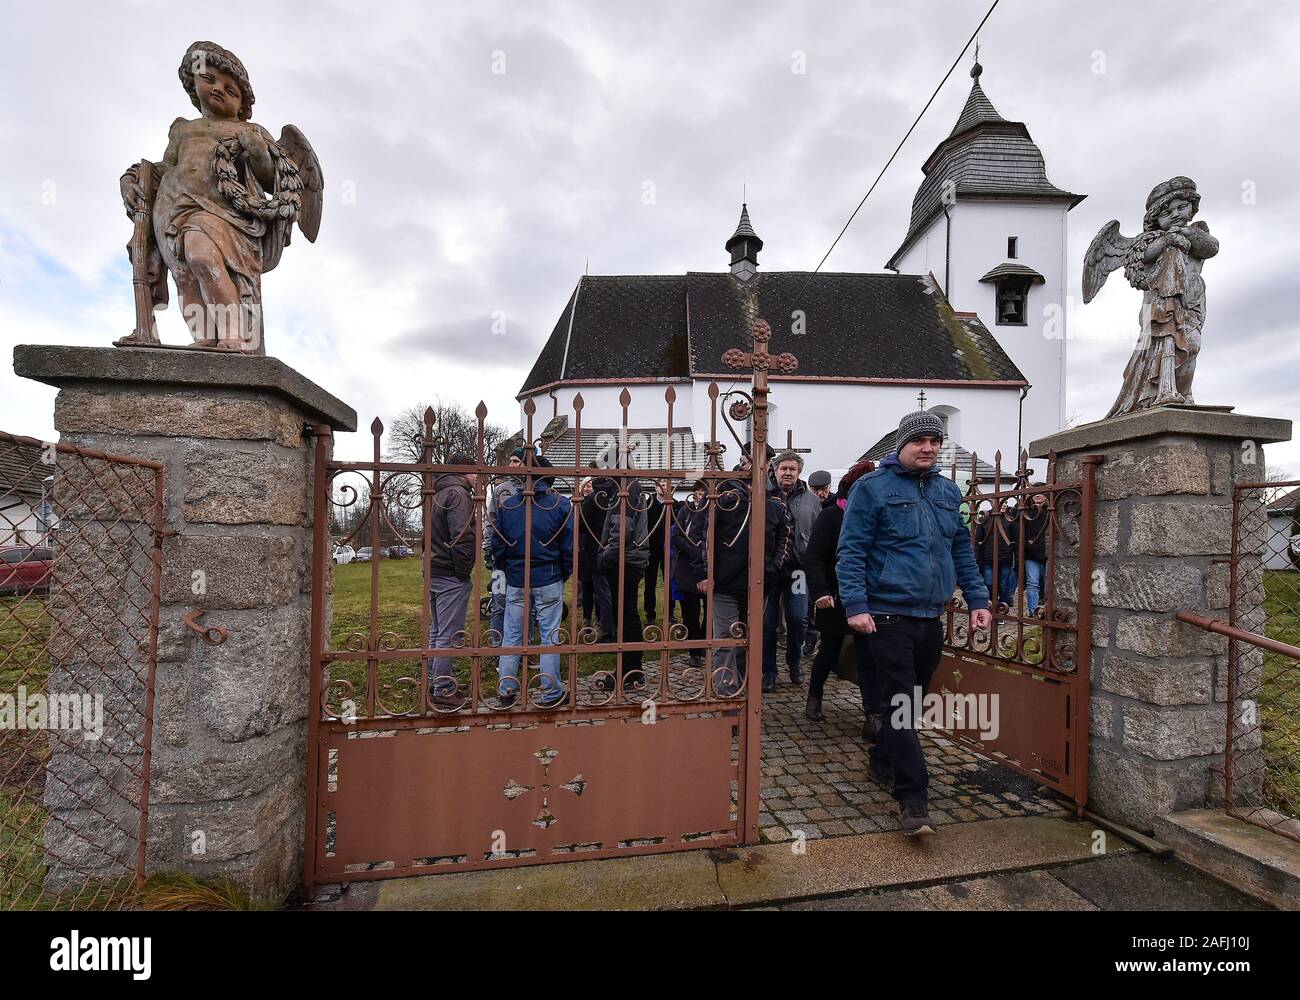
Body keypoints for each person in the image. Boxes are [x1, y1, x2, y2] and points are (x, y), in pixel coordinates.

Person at [837, 411, 991, 836]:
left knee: (911, 702)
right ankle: (913, 798)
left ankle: (882, 760)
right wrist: (855, 605)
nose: (928, 447)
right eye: (920, 440)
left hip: (930, 615)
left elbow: (961, 549)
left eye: (935, 441)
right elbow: (851, 552)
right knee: (902, 705)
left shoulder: (946, 491)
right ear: (901, 444)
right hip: (886, 615)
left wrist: (977, 598)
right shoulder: (871, 489)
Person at [803, 461, 882, 737]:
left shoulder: (878, 515)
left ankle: (872, 714)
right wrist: (820, 592)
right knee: (829, 650)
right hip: (835, 598)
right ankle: (814, 695)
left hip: (870, 598)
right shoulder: (831, 516)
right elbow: (813, 557)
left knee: (869, 656)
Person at [491, 453, 573, 709]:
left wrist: (507, 569)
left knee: (512, 635)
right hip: (548, 575)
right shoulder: (560, 504)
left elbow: (498, 544)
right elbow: (570, 546)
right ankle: (550, 691)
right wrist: (564, 573)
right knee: (549, 635)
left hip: (517, 577)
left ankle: (506, 689)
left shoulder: (509, 505)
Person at [707, 463, 791, 697]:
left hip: (760, 583)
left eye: (762, 465)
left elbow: (785, 536)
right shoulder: (725, 498)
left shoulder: (775, 503)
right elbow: (708, 534)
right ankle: (727, 693)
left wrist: (773, 567)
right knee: (726, 639)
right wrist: (708, 572)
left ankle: (744, 689)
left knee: (750, 638)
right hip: (725, 582)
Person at [763, 451, 822, 692]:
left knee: (798, 617)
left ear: (799, 472)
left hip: (798, 570)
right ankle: (767, 670)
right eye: (783, 468)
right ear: (775, 470)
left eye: (792, 469)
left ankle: (794, 660)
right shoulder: (763, 495)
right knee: (767, 623)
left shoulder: (811, 501)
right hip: (769, 571)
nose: (788, 473)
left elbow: (818, 535)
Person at [426, 456, 477, 709]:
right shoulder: (458, 494)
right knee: (448, 633)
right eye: (474, 471)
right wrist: (462, 571)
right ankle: (443, 689)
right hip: (449, 573)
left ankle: (435, 679)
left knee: (437, 630)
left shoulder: (436, 492)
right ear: (463, 471)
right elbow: (463, 536)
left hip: (434, 569)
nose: (478, 476)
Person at [594, 468, 650, 692]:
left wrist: (606, 555)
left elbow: (622, 531)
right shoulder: (624, 488)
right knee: (625, 615)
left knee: (626, 616)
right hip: (626, 559)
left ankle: (631, 671)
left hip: (626, 560)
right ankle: (629, 669)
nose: (605, 472)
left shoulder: (628, 489)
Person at [669, 481, 708, 667]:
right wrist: (694, 549)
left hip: (709, 569)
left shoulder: (716, 510)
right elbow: (676, 536)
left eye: (703, 492)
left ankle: (705, 644)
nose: (700, 496)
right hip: (687, 568)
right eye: (697, 492)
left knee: (711, 612)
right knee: (690, 614)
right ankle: (694, 652)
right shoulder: (685, 511)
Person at [802, 469, 834, 659]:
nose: (820, 494)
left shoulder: (837, 503)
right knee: (805, 604)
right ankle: (810, 636)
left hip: (829, 562)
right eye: (816, 490)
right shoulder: (808, 503)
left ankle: (824, 638)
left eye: (823, 489)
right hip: (808, 560)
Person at [973, 498, 1016, 609]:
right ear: (992, 503)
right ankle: (991, 604)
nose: (1003, 504)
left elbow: (1015, 539)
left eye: (1005, 502)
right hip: (988, 558)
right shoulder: (985, 519)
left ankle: (1002, 608)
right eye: (1000, 501)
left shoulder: (1010, 520)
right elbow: (978, 540)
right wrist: (977, 559)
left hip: (1005, 558)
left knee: (1003, 584)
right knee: (989, 582)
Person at [643, 478, 673, 622]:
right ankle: (650, 614)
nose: (665, 486)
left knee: (669, 582)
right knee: (650, 583)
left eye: (667, 484)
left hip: (669, 549)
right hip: (651, 549)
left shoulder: (674, 504)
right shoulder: (648, 503)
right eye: (662, 484)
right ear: (656, 488)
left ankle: (670, 613)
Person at [1019, 484, 1050, 615]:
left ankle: (1047, 609)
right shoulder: (1026, 511)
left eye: (1041, 493)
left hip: (1047, 553)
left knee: (1049, 583)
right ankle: (1033, 611)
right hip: (1031, 553)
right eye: (1035, 493)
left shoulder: (1051, 511)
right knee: (1032, 583)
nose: (1038, 496)